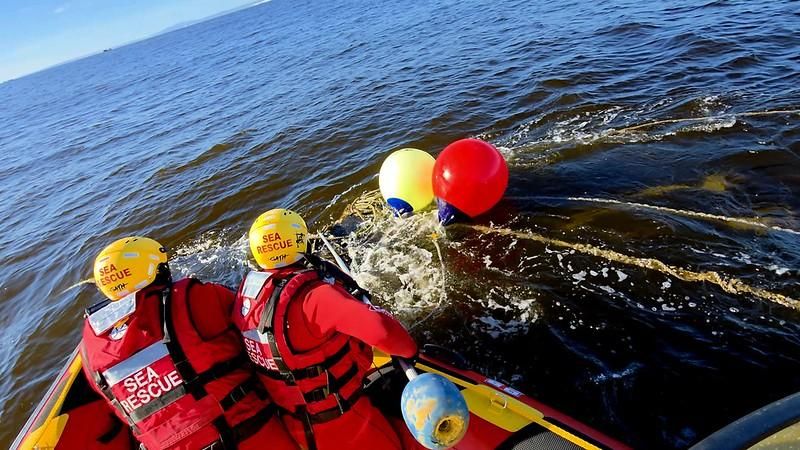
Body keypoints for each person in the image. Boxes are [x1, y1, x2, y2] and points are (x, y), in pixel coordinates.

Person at [81, 236, 297, 450]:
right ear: (159, 272)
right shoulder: (193, 298)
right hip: (248, 433)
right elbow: (254, 320)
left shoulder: (90, 347)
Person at [232, 209, 419, 450]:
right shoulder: (315, 297)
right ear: (300, 241)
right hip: (345, 422)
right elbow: (382, 330)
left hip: (296, 425)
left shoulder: (245, 298)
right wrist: (411, 352)